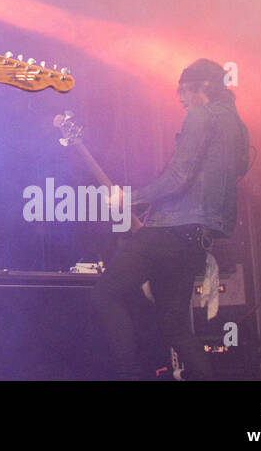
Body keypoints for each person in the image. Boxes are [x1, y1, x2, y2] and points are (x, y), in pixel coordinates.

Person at [92, 58, 251, 380]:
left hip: (170, 231)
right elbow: (236, 173)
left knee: (106, 293)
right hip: (196, 238)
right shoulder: (239, 126)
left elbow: (179, 176)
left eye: (184, 91)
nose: (180, 99)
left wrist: (129, 198)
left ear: (203, 87)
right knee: (174, 327)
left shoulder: (201, 116)